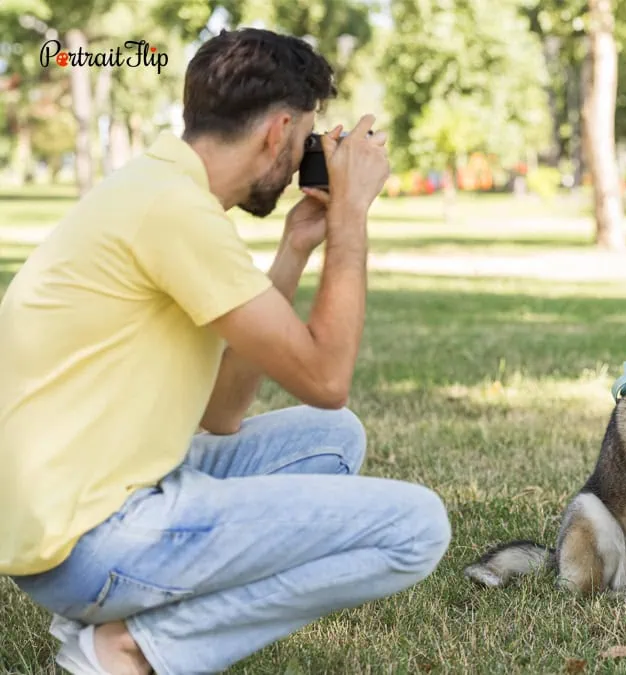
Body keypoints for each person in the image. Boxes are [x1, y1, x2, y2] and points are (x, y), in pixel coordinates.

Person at [0, 28, 451, 674]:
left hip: (79, 508)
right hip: (87, 542)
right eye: (304, 144)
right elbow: (327, 375)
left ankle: (125, 616)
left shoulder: (162, 192)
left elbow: (221, 413)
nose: (301, 162)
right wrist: (352, 219)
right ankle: (128, 647)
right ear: (278, 131)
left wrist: (297, 247)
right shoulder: (176, 214)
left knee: (334, 439)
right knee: (417, 528)